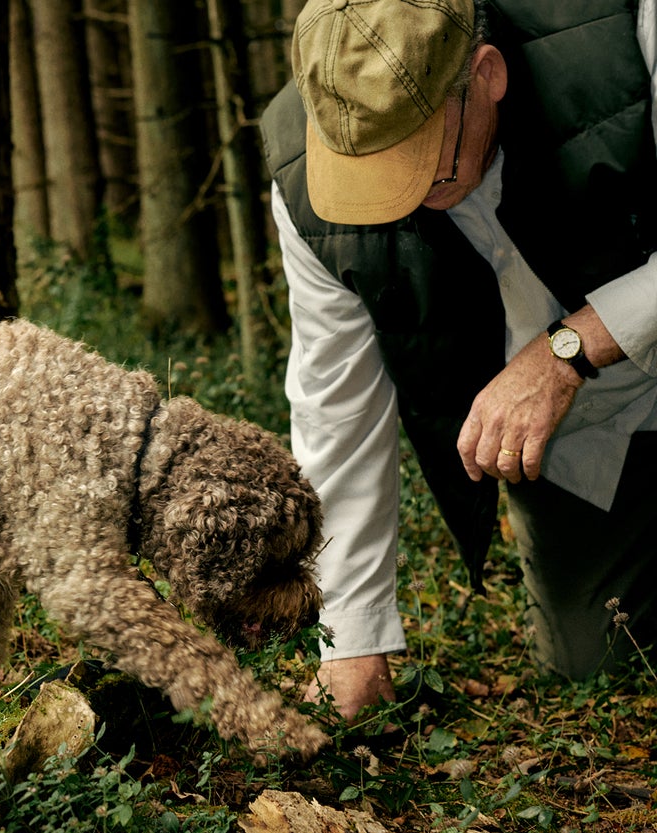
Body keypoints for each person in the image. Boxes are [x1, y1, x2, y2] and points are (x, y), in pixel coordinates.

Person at [260, 0, 657, 719]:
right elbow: (334, 404)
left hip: (593, 359)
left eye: (420, 163)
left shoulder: (624, 30)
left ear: (487, 74)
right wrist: (350, 638)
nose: (403, 200)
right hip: (591, 432)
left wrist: (569, 347)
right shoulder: (306, 177)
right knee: (594, 665)